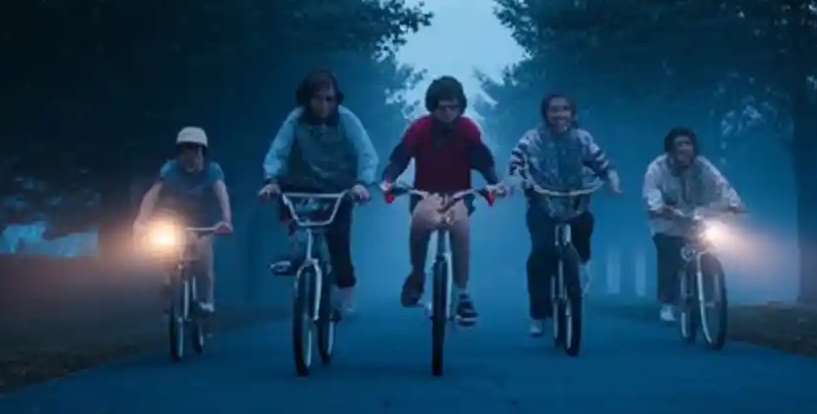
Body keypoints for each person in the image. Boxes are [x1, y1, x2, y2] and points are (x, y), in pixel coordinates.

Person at [379, 75, 507, 326]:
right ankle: (417, 276)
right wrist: (388, 180)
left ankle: (462, 293)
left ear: (460, 107)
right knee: (419, 225)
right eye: (442, 107)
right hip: (425, 194)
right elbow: (401, 157)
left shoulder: (467, 129)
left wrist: (495, 183)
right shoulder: (420, 128)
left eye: (453, 107)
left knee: (460, 230)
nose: (448, 113)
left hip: (459, 194)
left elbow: (482, 159)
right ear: (432, 107)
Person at [258, 70, 378, 316]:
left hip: (338, 190)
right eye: (318, 99)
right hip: (302, 188)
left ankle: (344, 295)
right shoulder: (295, 120)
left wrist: (362, 183)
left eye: (329, 99)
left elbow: (367, 153)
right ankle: (298, 265)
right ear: (307, 99)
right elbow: (278, 152)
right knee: (300, 239)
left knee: (339, 245)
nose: (324, 105)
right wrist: (271, 180)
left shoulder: (347, 120)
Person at [509, 93, 621, 337]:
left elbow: (602, 163)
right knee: (540, 254)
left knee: (586, 223)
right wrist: (517, 180)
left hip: (574, 200)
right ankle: (538, 314)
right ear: (545, 114)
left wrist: (612, 180)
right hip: (542, 201)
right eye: (554, 110)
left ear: (572, 113)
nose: (559, 115)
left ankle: (581, 265)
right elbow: (516, 163)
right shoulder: (532, 138)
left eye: (564, 109)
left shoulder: (583, 139)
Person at [642, 127, 745, 324]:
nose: (684, 149)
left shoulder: (703, 167)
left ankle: (709, 296)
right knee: (670, 255)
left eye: (688, 144)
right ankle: (668, 302)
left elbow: (722, 186)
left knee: (709, 250)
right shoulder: (657, 169)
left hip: (699, 220)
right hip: (668, 225)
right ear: (670, 150)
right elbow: (651, 196)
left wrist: (735, 205)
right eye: (679, 145)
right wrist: (660, 209)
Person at [133, 126, 233, 315]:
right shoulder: (170, 169)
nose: (189, 156)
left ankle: (208, 301)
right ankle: (167, 284)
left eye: (194, 150)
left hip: (205, 223)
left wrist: (226, 220)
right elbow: (152, 195)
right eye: (184, 150)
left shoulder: (212, 171)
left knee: (204, 258)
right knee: (165, 247)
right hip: (177, 221)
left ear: (202, 152)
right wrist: (141, 220)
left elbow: (222, 194)